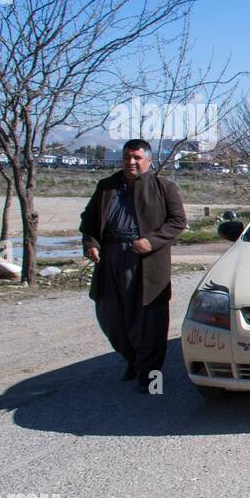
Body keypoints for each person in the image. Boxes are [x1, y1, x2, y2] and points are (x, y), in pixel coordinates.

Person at [80, 139, 188, 392]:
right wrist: (91, 243)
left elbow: (177, 221)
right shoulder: (107, 187)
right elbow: (89, 220)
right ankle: (133, 359)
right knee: (111, 317)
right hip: (111, 259)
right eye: (127, 157)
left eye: (137, 158)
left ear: (149, 161)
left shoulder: (164, 188)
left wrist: (151, 242)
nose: (131, 162)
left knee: (149, 322)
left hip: (147, 262)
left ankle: (151, 378)